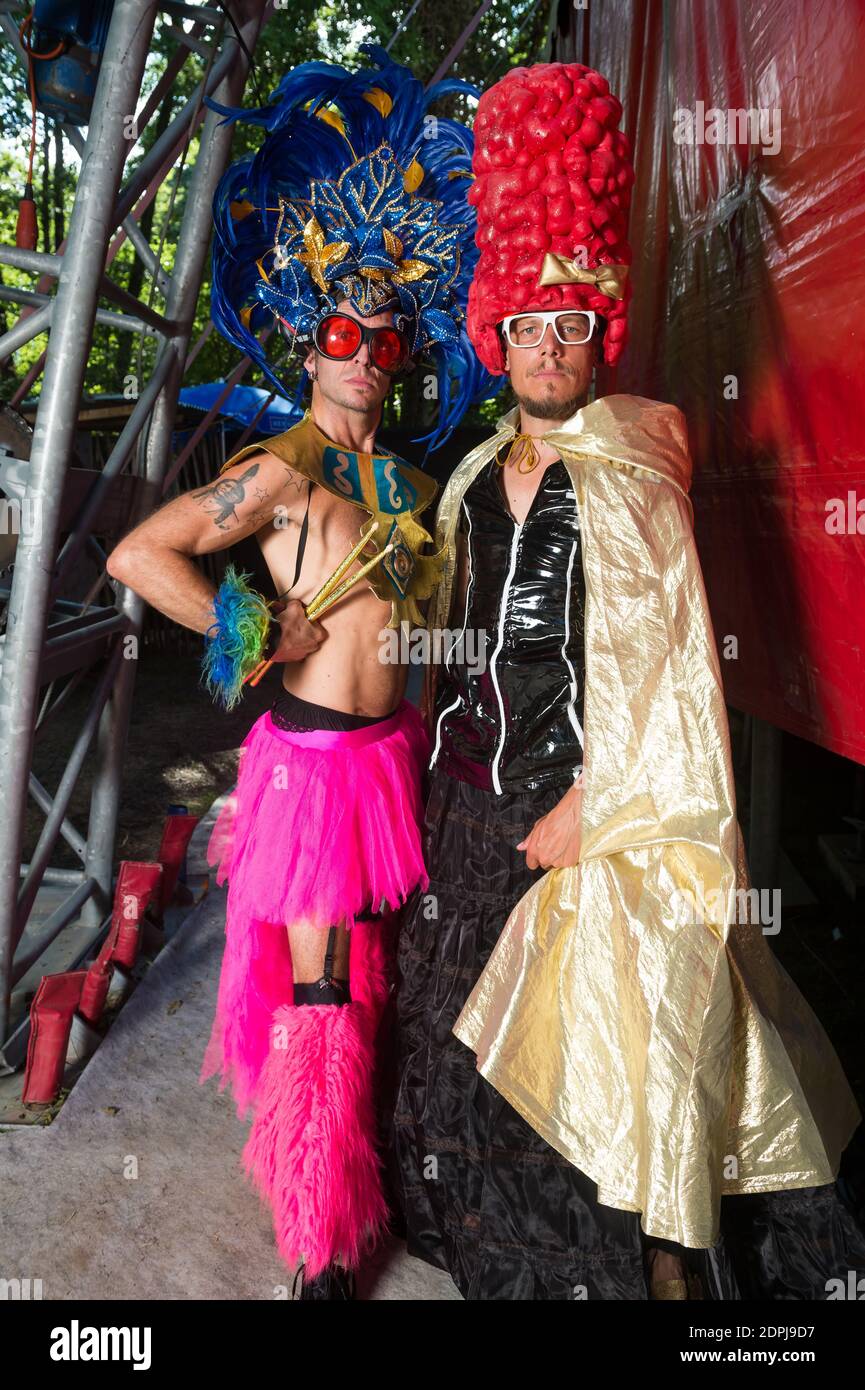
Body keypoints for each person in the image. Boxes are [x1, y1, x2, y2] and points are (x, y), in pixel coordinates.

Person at [392, 59, 865, 1300]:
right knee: (456, 1062)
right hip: (468, 815)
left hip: (586, 829)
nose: (548, 349)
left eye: (570, 326)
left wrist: (598, 803)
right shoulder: (467, 475)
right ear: (494, 337)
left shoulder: (632, 473)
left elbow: (672, 687)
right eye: (525, 327)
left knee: (590, 1081)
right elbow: (451, 641)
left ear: (599, 330)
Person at [106, 45, 491, 1300]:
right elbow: (138, 552)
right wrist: (245, 633)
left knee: (374, 982)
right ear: (309, 342)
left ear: (403, 349)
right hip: (316, 773)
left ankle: (356, 1173)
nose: (364, 353)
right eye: (341, 331)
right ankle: (319, 1241)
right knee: (323, 991)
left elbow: (431, 630)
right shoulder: (276, 471)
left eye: (384, 335)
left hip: (394, 768)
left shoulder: (413, 489)